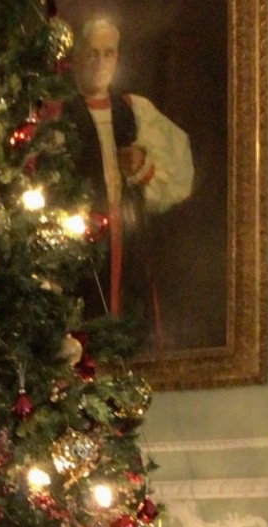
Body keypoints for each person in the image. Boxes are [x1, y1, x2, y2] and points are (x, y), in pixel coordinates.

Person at [68, 16, 193, 348]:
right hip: (78, 248)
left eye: (108, 54)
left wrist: (143, 170)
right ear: (76, 56)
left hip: (129, 244)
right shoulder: (61, 113)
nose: (100, 62)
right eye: (92, 53)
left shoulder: (134, 110)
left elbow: (178, 176)